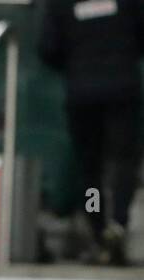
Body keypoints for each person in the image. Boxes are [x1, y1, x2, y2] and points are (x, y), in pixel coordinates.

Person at [38, 0, 144, 266]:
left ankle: (99, 231)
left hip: (82, 93)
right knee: (123, 162)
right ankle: (118, 223)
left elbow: (48, 48)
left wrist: (76, 63)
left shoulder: (61, 4)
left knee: (91, 170)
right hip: (122, 88)